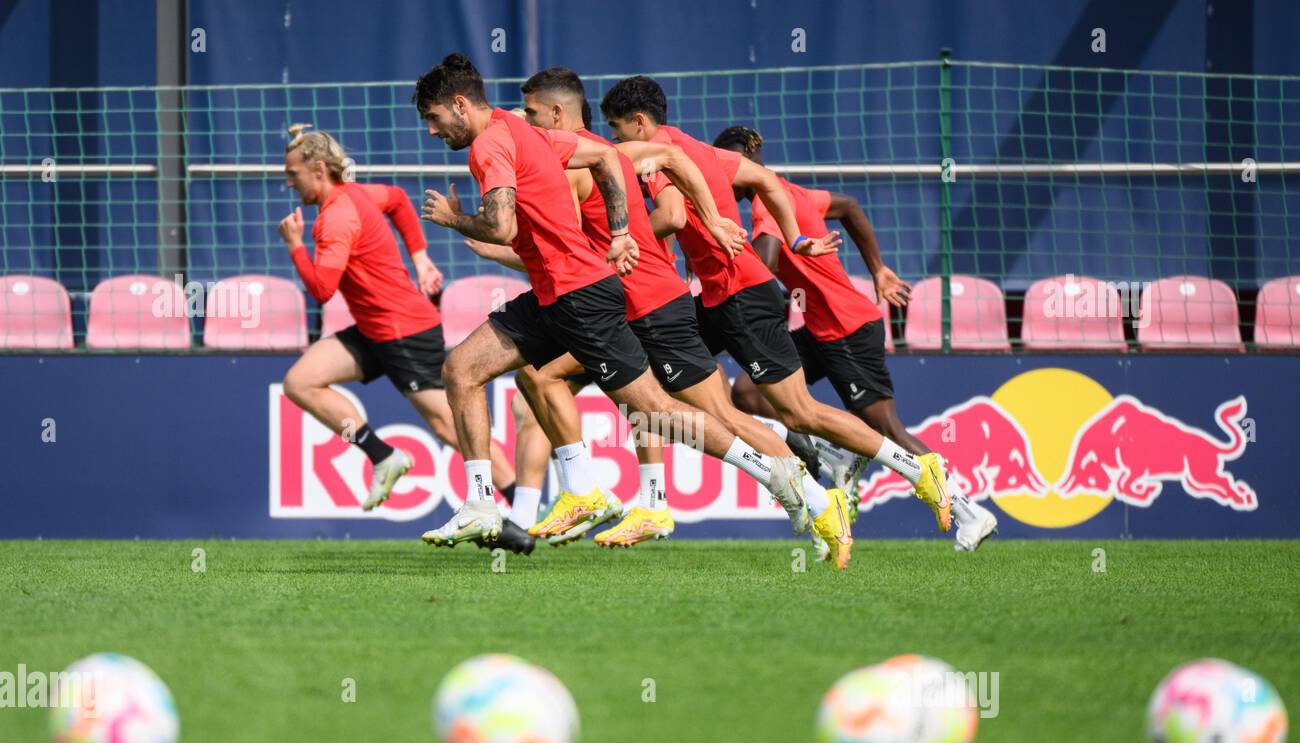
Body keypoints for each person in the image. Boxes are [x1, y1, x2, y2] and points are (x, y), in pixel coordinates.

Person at [409, 54, 811, 553]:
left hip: (584, 296)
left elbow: (502, 227)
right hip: (561, 293)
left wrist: (455, 218)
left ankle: (778, 476)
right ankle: (490, 501)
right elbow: (606, 159)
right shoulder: (520, 130)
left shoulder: (491, 146)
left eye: (433, 118)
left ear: (460, 104)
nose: (431, 131)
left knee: (658, 411)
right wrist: (622, 232)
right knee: (468, 370)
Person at [599, 76, 955, 536]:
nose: (613, 139)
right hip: (718, 298)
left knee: (799, 412)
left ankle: (914, 468)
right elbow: (766, 179)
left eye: (616, 128)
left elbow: (672, 216)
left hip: (742, 296)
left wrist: (618, 241)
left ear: (640, 123)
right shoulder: (700, 150)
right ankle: (655, 501)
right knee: (649, 387)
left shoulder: (655, 159)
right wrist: (797, 238)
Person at [714, 125, 998, 552]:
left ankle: (968, 511)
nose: (719, 180)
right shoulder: (792, 193)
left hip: (847, 330)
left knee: (886, 429)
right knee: (749, 391)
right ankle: (834, 453)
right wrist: (878, 268)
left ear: (739, 165)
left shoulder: (765, 206)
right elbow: (849, 207)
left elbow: (766, 265)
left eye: (723, 169)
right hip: (819, 329)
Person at [276, 123, 515, 512]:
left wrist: (295, 247)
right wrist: (420, 258)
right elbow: (400, 200)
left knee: (452, 428)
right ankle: (384, 456)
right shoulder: (357, 194)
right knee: (301, 382)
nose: (288, 183)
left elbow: (321, 289)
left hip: (404, 333)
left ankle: (521, 500)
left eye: (292, 174)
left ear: (319, 170)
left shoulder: (334, 220)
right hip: (376, 329)